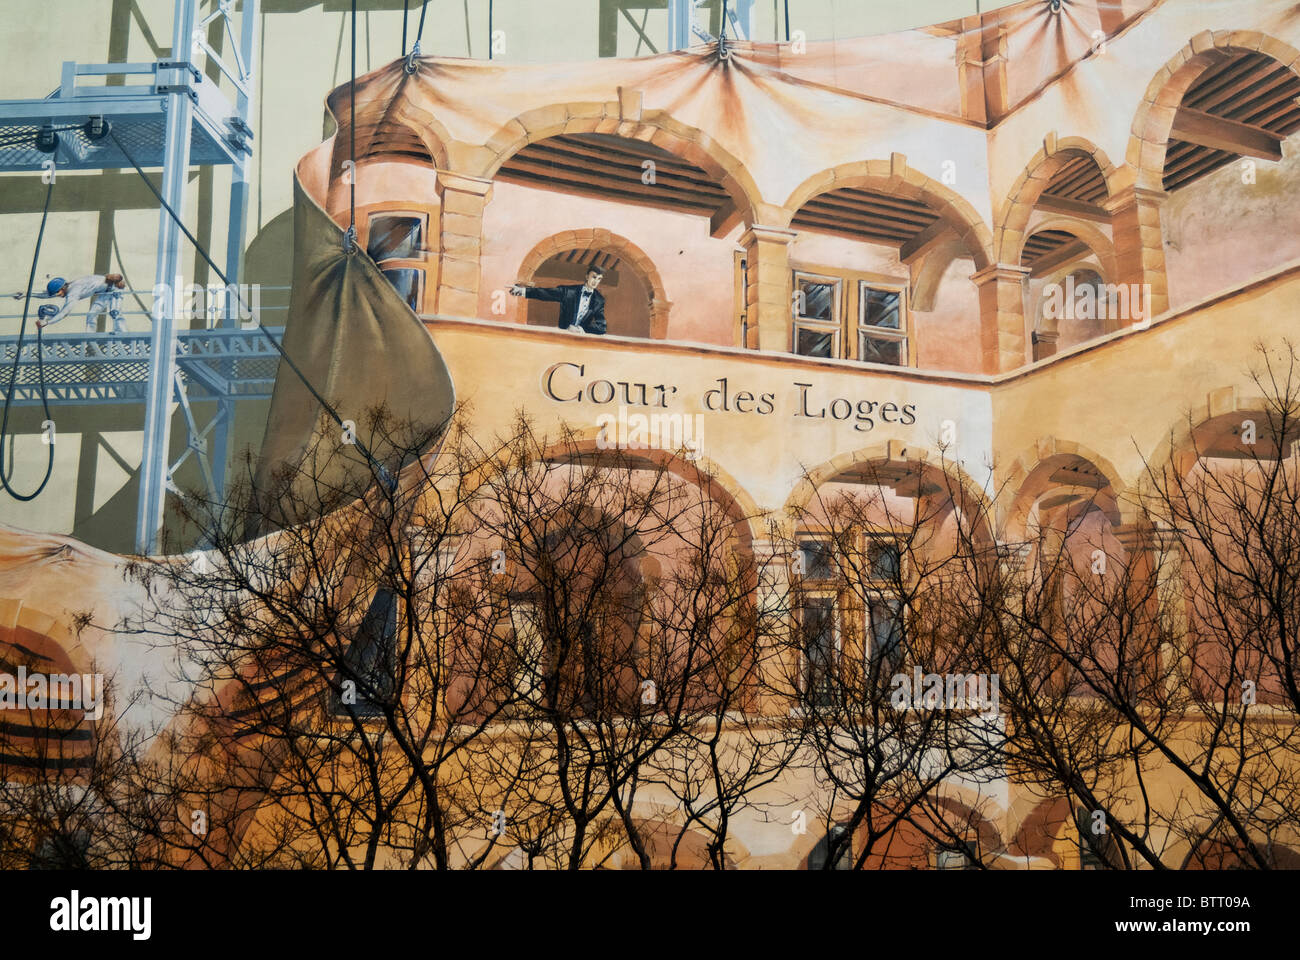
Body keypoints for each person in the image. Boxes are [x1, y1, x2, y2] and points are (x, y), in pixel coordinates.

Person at [510, 265, 607, 335]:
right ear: (587, 276)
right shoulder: (569, 291)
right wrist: (522, 291)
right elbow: (546, 293)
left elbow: (602, 327)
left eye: (599, 279)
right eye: (594, 277)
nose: (596, 281)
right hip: (562, 334)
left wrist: (582, 328)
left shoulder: (599, 300)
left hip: (581, 338)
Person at [17, 274, 128, 333]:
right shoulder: (68, 286)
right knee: (91, 315)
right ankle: (90, 340)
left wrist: (47, 322)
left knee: (115, 313)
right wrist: (27, 294)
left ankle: (123, 336)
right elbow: (47, 294)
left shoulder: (74, 292)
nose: (58, 296)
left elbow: (65, 312)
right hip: (105, 291)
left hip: (115, 290)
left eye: (58, 293)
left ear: (62, 288)